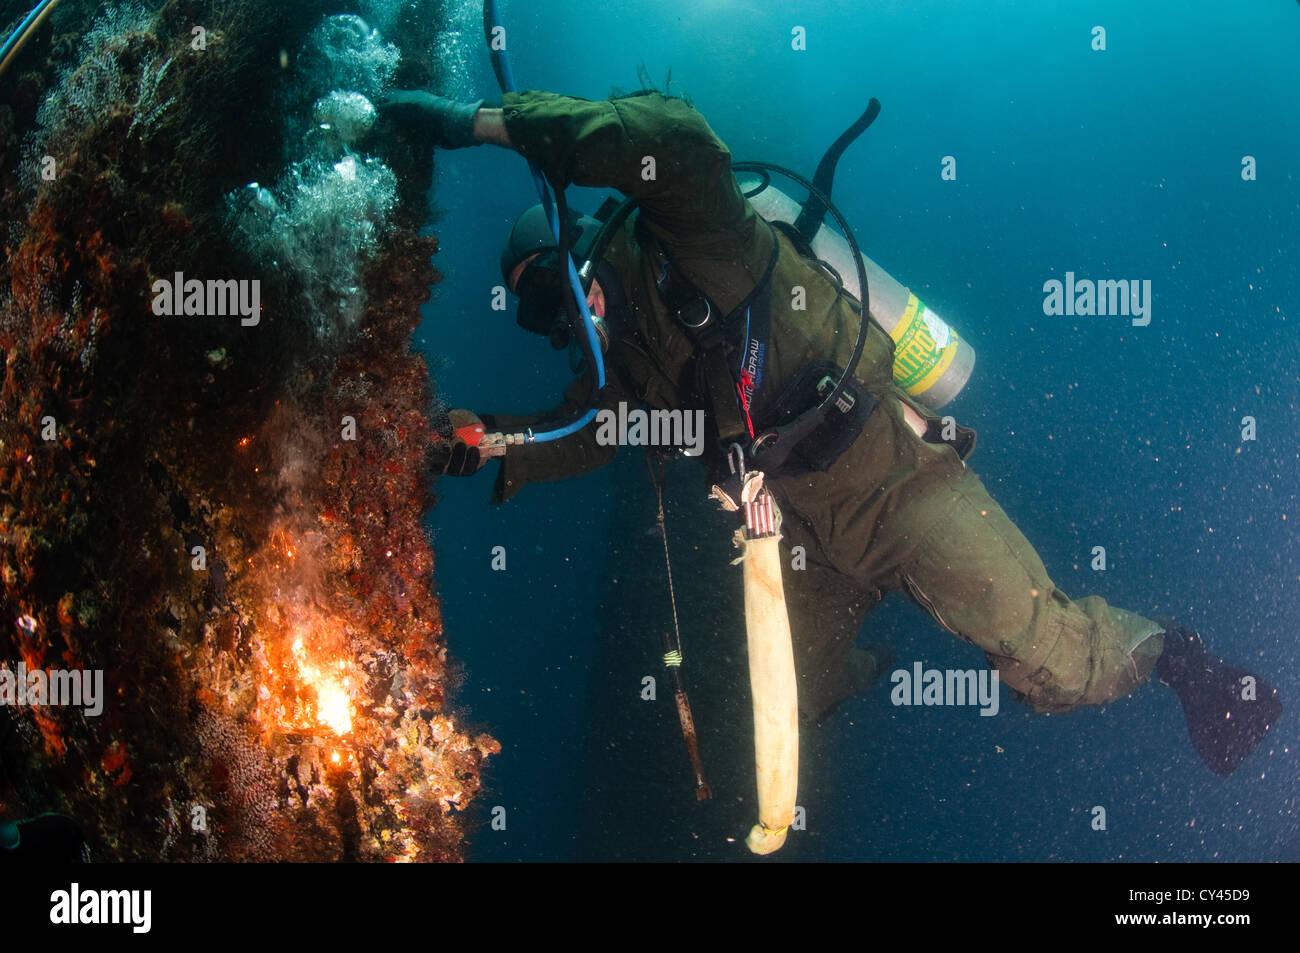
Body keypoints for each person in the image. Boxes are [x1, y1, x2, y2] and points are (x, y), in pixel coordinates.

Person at [382, 87, 1281, 777]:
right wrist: (489, 437)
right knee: (783, 701)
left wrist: (474, 124)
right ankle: (867, 664)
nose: (561, 322)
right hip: (801, 534)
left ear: (576, 248)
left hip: (893, 482)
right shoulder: (627, 361)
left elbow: (671, 140)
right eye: (536, 317)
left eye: (552, 290)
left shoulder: (692, 235)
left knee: (1055, 666)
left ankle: (1179, 658)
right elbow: (588, 428)